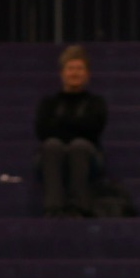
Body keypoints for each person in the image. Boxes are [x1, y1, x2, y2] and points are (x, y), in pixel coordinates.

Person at [36, 45, 108, 218]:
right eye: (70, 68)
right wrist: (76, 126)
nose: (74, 73)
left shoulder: (96, 103)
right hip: (53, 154)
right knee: (52, 146)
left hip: (88, 156)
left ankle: (80, 208)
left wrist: (61, 125)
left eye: (79, 68)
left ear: (87, 74)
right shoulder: (49, 103)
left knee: (79, 146)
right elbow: (42, 132)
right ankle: (53, 209)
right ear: (62, 73)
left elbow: (93, 131)